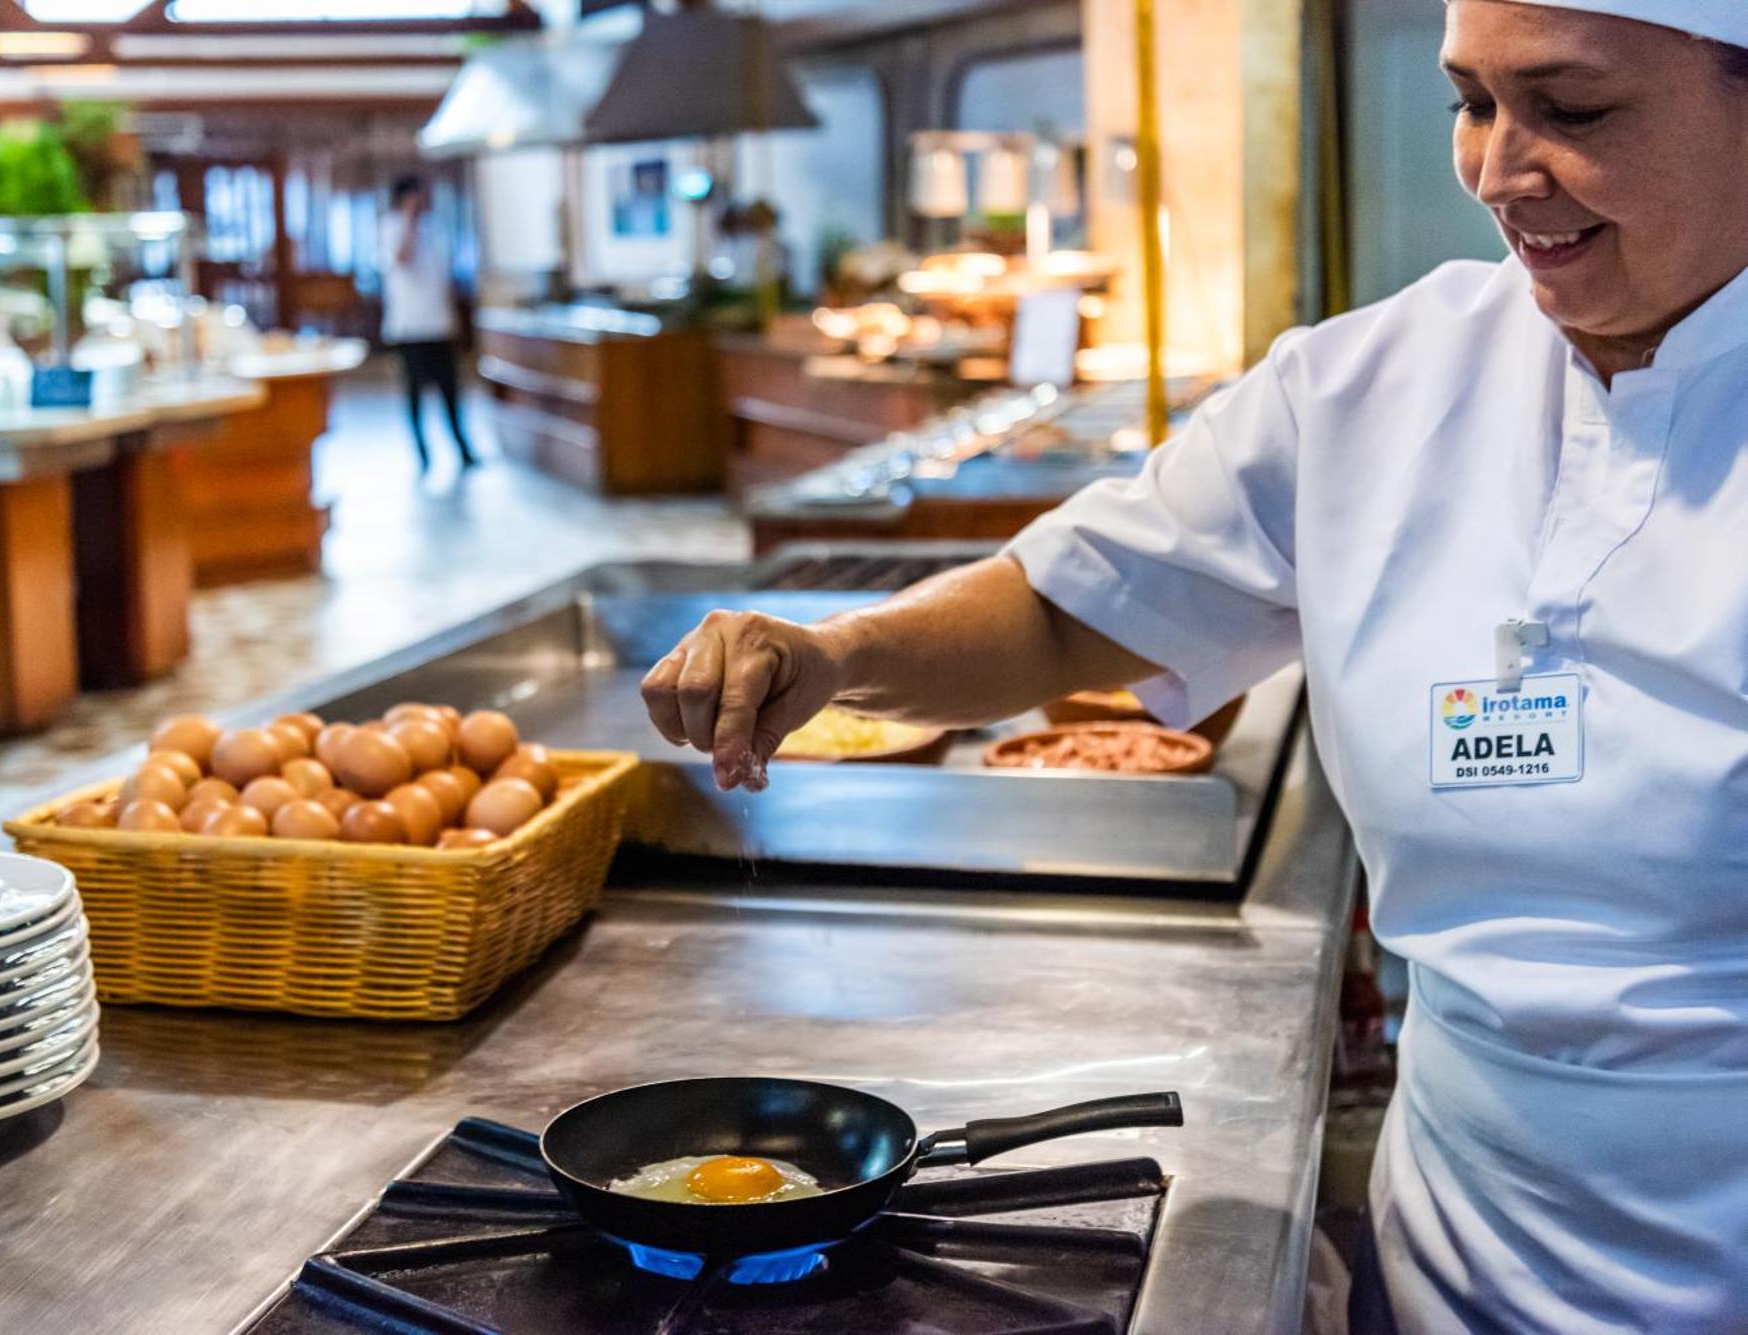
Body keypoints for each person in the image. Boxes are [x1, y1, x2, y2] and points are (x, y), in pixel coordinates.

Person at [639, 2, 1748, 1330]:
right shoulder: (1371, 386)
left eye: (1573, 110)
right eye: (1472, 101)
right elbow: (1064, 610)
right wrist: (832, 652)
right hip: (1460, 1243)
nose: (1499, 168)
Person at [380, 174, 475, 472]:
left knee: (450, 389)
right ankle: (422, 451)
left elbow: (442, 280)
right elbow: (401, 258)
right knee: (415, 391)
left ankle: (462, 448)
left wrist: (455, 320)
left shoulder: (434, 230)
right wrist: (409, 219)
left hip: (438, 323)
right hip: (410, 326)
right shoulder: (392, 226)